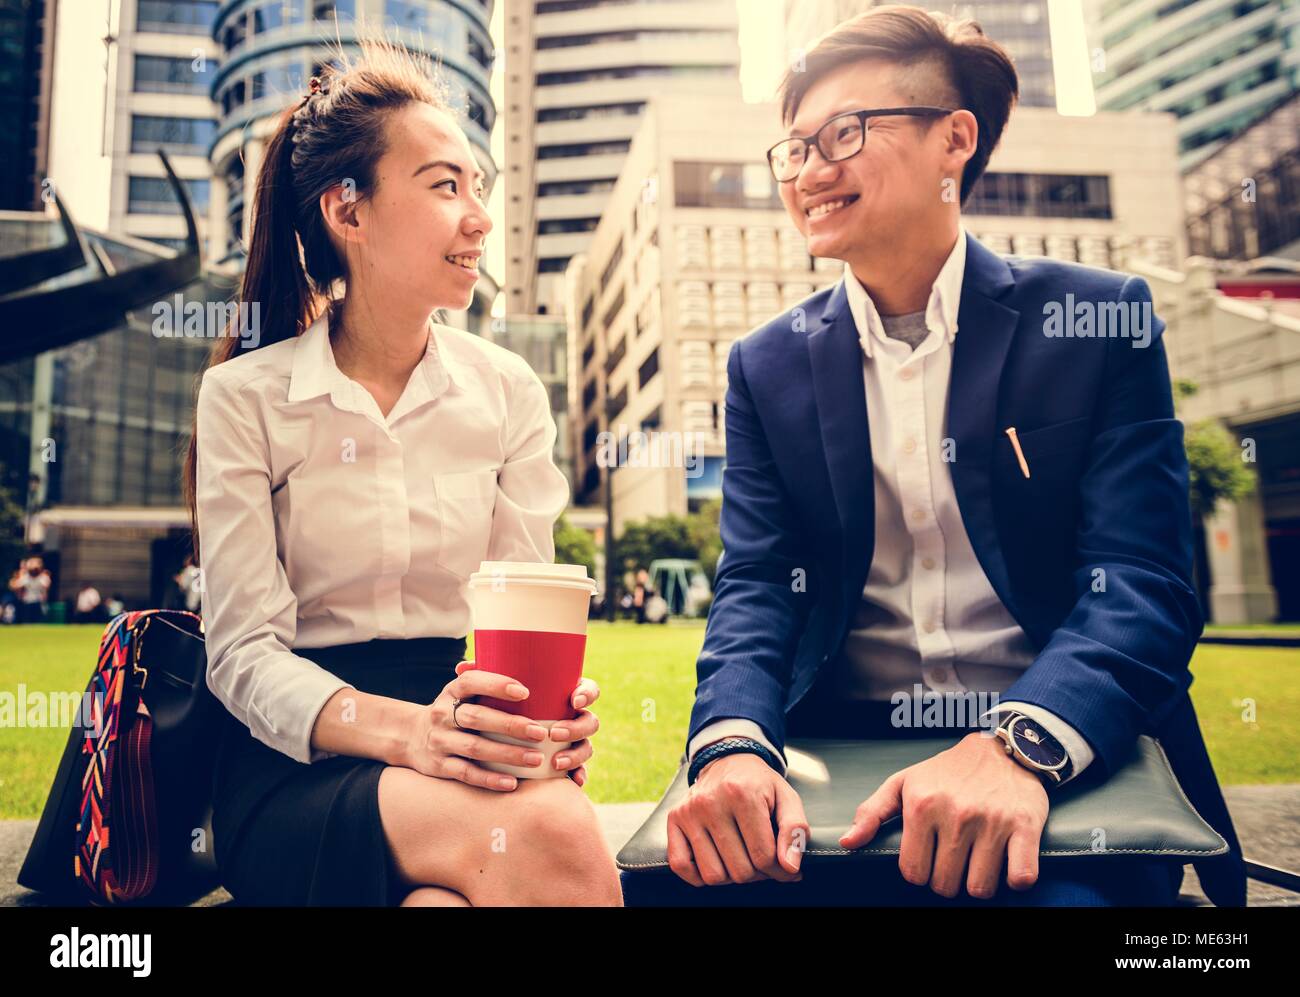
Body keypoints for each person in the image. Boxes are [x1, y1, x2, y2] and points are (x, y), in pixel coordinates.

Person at [628, 5, 1244, 908]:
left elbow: (1143, 583)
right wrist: (728, 744)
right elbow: (758, 583)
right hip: (836, 754)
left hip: (1056, 752)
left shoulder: (1098, 321)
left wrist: (1017, 747)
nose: (809, 171)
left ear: (955, 139)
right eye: (793, 149)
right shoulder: (764, 364)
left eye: (842, 133)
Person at [185, 42, 622, 907]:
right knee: (559, 830)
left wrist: (545, 717)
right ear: (348, 211)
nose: (479, 217)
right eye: (444, 185)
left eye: (478, 186)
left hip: (456, 742)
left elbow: (519, 608)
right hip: (292, 765)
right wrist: (409, 735)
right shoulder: (244, 398)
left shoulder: (506, 394)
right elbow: (240, 653)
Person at [9, 556, 50, 624]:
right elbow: (15, 585)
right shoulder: (26, 578)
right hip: (28, 602)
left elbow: (46, 586)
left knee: (37, 622)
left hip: (38, 602)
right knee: (27, 622)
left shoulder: (42, 577)